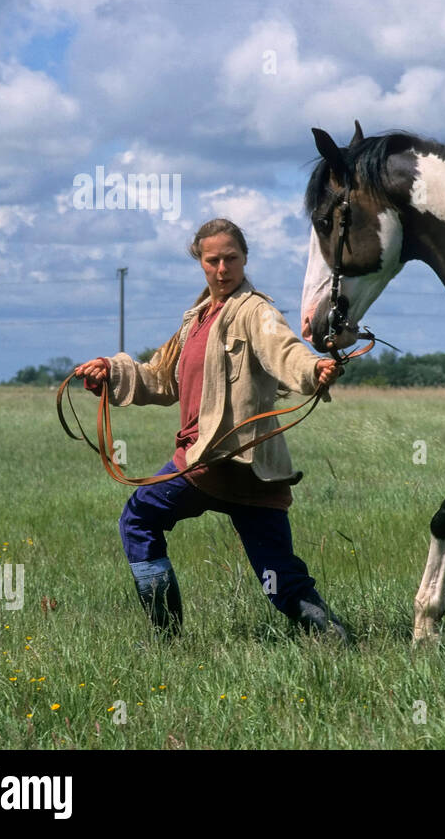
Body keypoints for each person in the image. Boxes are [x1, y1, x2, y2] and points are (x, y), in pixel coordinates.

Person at [73, 218, 348, 642]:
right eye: (213, 260)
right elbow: (162, 379)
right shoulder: (196, 320)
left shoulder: (256, 311)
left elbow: (285, 351)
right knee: (280, 577)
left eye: (231, 259)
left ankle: (168, 639)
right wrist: (112, 371)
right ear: (200, 263)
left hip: (214, 459)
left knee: (139, 517)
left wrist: (314, 368)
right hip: (256, 476)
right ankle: (335, 638)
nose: (222, 269)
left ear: (245, 259)